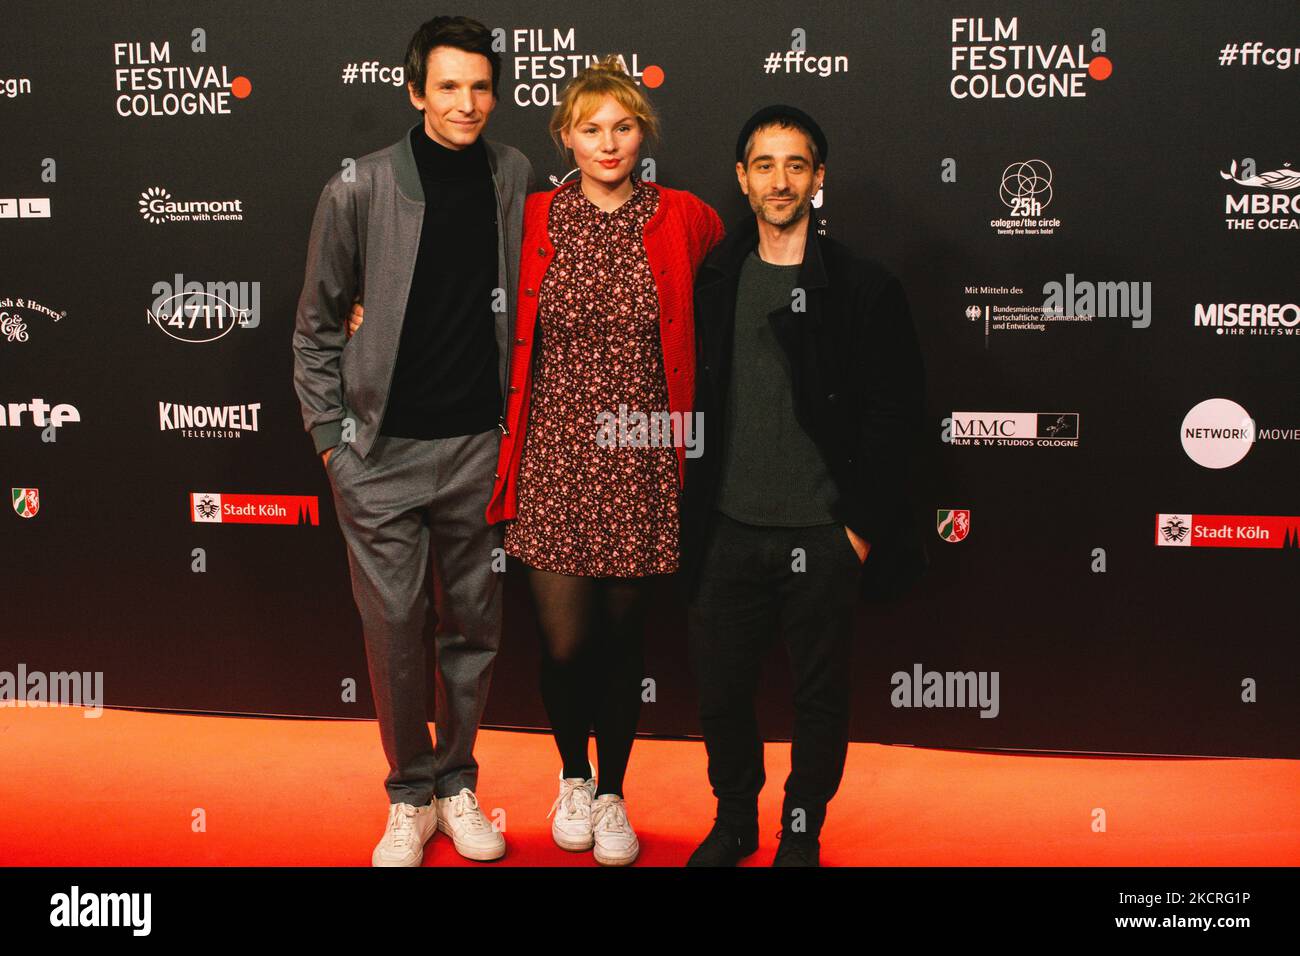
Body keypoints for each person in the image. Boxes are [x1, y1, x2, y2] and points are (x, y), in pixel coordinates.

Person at [291, 16, 533, 867]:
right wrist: (333, 441)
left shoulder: (513, 172)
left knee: (473, 626)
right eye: (449, 86)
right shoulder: (357, 187)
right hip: (379, 453)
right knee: (396, 628)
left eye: (480, 86)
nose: (467, 104)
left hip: (477, 447)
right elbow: (317, 327)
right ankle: (409, 795)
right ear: (414, 90)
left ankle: (459, 785)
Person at [487, 57, 722, 866]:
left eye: (623, 126)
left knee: (625, 642)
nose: (609, 142)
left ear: (642, 132)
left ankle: (615, 791)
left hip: (643, 450)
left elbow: (735, 286)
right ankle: (573, 777)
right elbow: (464, 284)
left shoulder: (684, 215)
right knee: (563, 644)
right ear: (566, 137)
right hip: (553, 448)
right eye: (591, 128)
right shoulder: (533, 217)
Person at [679, 105, 926, 866]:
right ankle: (733, 820)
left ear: (819, 179)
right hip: (727, 530)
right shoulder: (714, 278)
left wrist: (853, 529)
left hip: (822, 535)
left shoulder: (863, 286)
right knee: (721, 693)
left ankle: (800, 826)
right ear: (742, 179)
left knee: (819, 696)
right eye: (763, 165)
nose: (779, 180)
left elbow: (897, 418)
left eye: (795, 165)